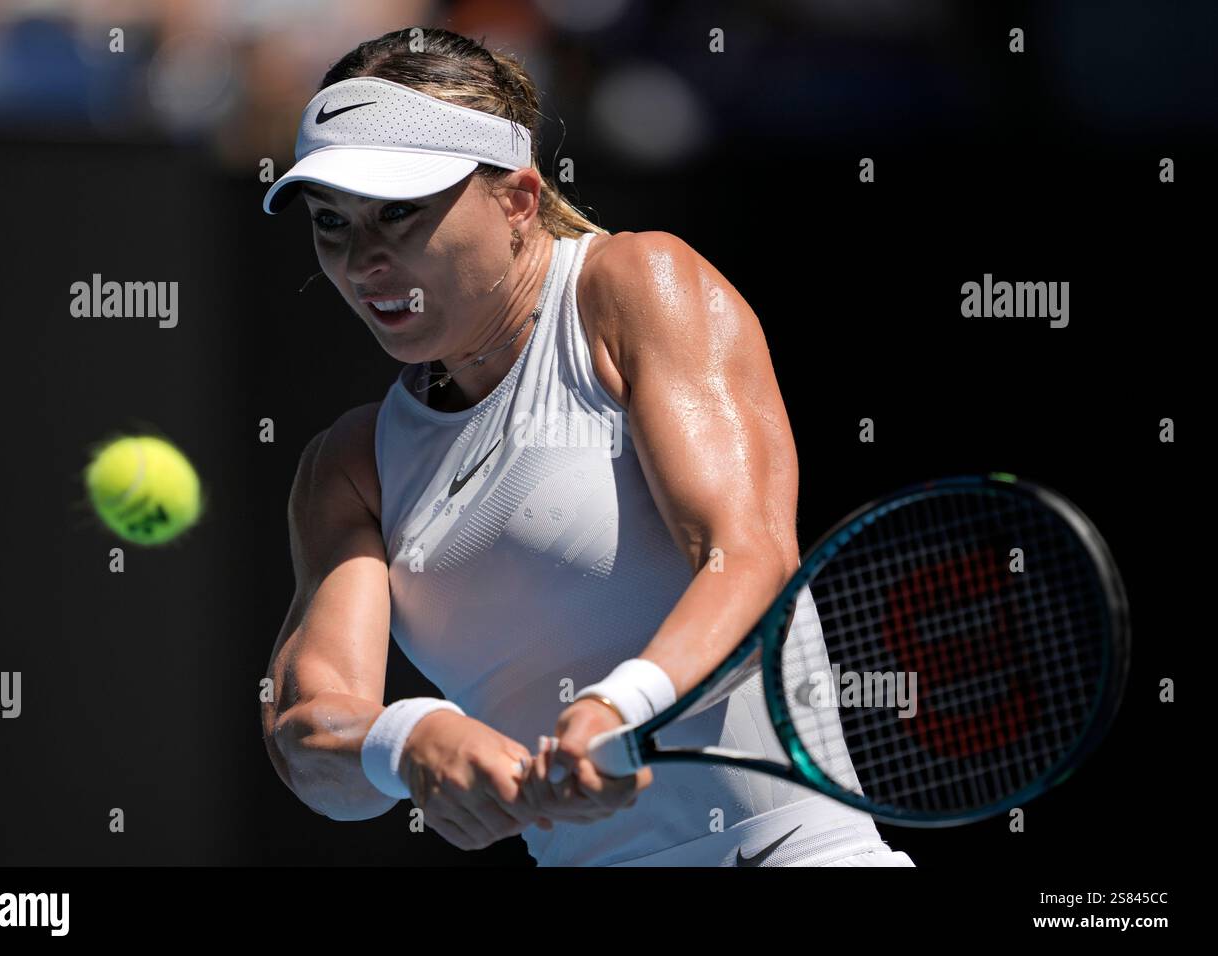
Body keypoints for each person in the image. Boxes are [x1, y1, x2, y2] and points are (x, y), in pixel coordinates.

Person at [260, 27, 913, 867]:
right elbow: (307, 734)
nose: (363, 260)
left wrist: (618, 708)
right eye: (331, 222)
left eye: (399, 211)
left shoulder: (635, 287)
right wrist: (409, 742)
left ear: (518, 199)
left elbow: (749, 559)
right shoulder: (348, 469)